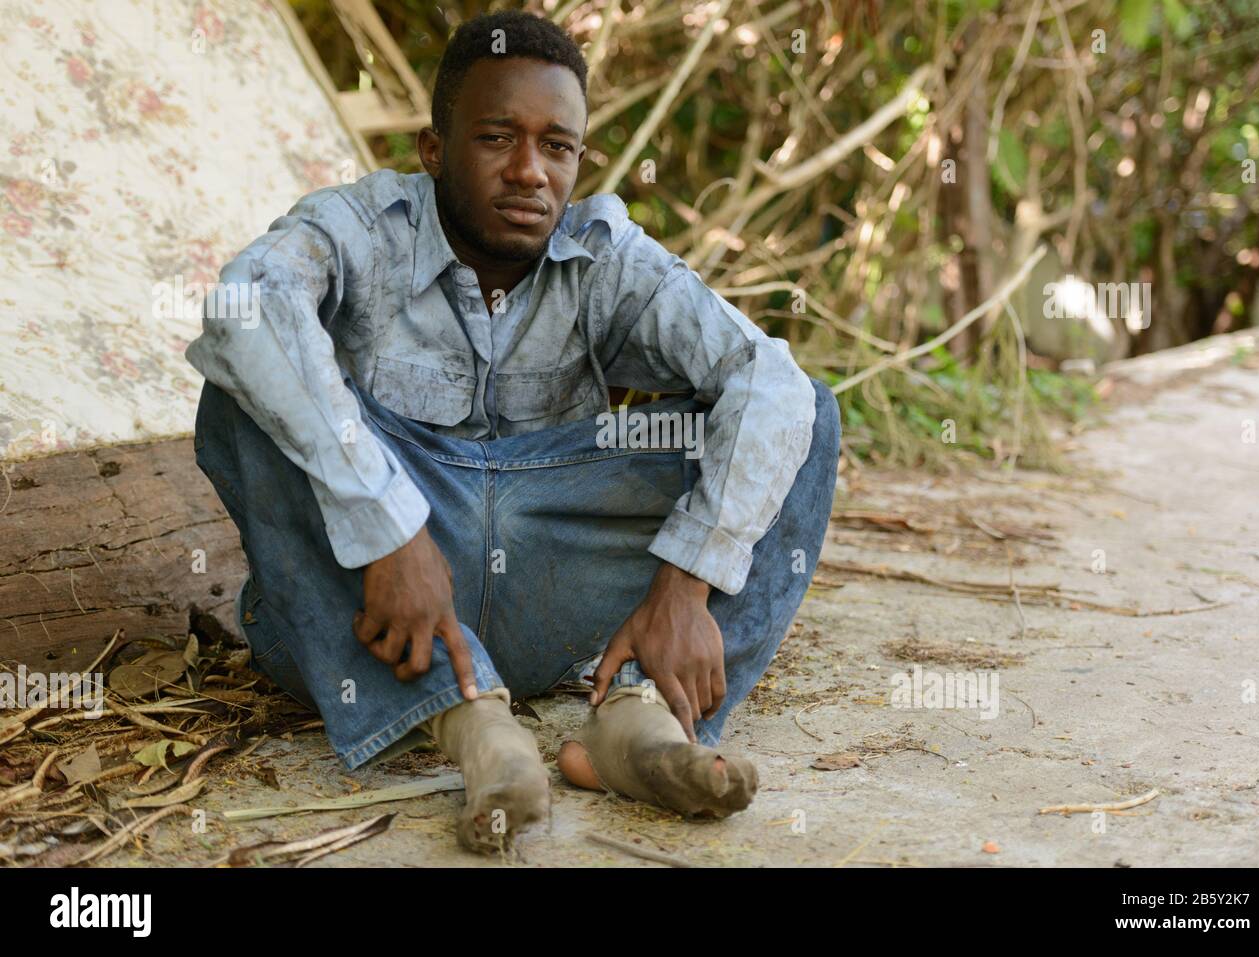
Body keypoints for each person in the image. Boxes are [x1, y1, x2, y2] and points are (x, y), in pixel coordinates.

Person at [186, 9, 838, 853]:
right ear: (432, 149)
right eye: (498, 139)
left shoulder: (606, 254)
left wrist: (688, 580)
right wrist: (388, 525)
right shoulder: (363, 228)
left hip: (559, 592)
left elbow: (770, 382)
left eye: (557, 146)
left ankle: (637, 719)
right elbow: (246, 307)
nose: (530, 172)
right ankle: (470, 725)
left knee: (804, 412)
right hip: (385, 610)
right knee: (243, 388)